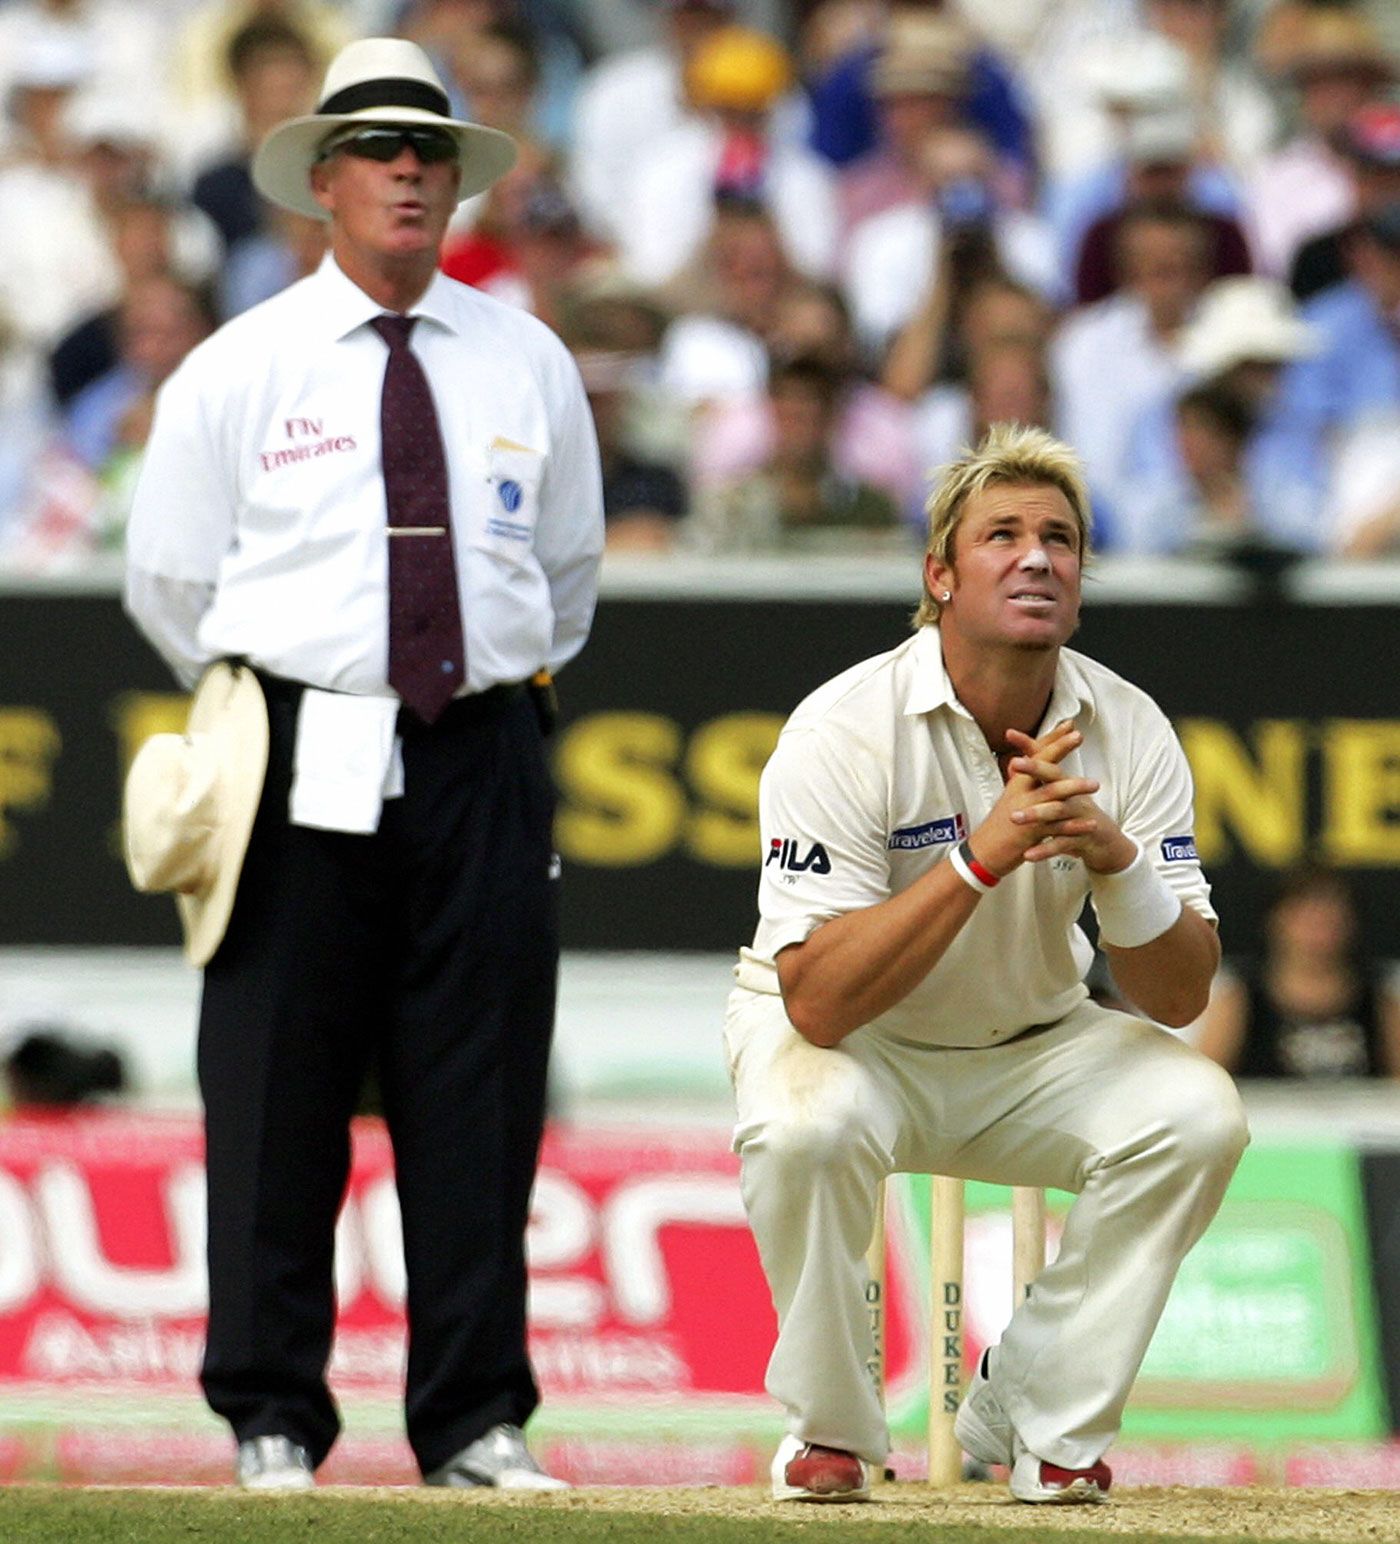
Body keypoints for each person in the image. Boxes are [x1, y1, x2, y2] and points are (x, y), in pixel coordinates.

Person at [122, 37, 604, 1492]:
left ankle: (474, 1421)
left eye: (431, 149)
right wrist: (305, 683)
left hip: (483, 749)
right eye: (380, 147)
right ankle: (272, 1414)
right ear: (322, 176)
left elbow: (564, 580)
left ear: (456, 183)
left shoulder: (527, 356)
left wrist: (449, 694)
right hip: (298, 747)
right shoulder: (241, 366)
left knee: (484, 1090)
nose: (408, 168)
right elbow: (171, 585)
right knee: (275, 1087)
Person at [722, 423, 1247, 1505]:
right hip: (855, 1044)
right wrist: (978, 855)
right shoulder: (843, 726)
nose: (1036, 556)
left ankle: (1034, 1407)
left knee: (1197, 1114)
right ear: (938, 575)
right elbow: (815, 1001)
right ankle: (827, 1427)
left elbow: (1178, 995)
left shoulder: (1128, 726)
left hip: (1028, 1045)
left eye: (1058, 538)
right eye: (1000, 534)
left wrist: (1114, 862)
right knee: (803, 1121)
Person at [1195, 865, 1400, 1080]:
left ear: (1352, 923)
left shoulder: (1381, 1002)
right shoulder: (1239, 1000)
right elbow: (1207, 1085)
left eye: (1330, 919)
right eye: (1306, 919)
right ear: (1275, 920)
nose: (1319, 931)